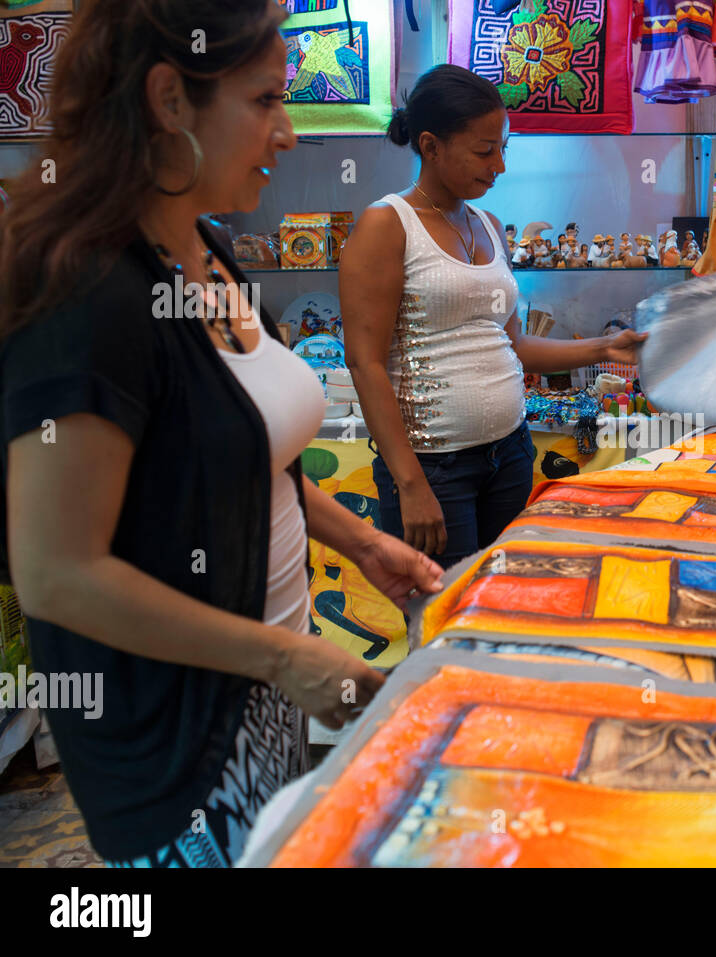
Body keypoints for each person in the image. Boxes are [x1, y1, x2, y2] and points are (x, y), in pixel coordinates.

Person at [0, 0, 441, 867]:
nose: (288, 134)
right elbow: (56, 574)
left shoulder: (203, 251)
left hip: (262, 687)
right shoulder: (91, 292)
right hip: (177, 737)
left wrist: (358, 540)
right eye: (267, 100)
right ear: (170, 100)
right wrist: (284, 658)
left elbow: (244, 454)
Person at [341, 65, 645, 571]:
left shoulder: (486, 224)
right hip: (434, 469)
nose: (499, 165)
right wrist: (410, 482)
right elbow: (364, 362)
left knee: (501, 600)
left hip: (509, 453)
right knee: (441, 614)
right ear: (431, 146)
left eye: (504, 148)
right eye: (485, 151)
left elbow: (513, 344)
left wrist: (602, 348)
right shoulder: (386, 224)